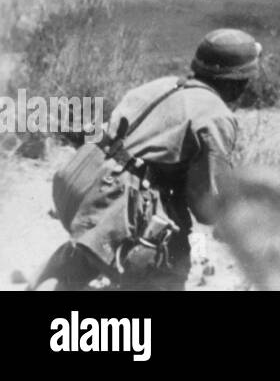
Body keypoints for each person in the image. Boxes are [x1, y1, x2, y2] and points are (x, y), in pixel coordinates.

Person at [32, 28, 257, 290]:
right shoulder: (216, 116)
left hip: (78, 180)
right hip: (114, 199)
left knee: (130, 215)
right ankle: (87, 265)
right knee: (168, 266)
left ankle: (77, 263)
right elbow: (205, 205)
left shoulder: (162, 84)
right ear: (235, 82)